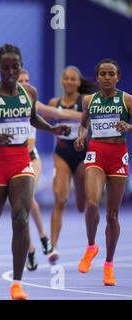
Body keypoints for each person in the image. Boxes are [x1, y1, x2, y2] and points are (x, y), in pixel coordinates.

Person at [0, 44, 69, 299]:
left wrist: (53, 130)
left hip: (21, 160)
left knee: (21, 218)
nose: (11, 72)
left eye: (15, 67)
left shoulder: (28, 92)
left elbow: (32, 119)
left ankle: (17, 284)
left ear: (20, 67)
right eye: (6, 67)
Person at [74, 59, 132, 286]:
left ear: (118, 77)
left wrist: (128, 127)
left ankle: (109, 265)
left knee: (112, 216)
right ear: (97, 77)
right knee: (91, 203)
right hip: (96, 152)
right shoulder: (89, 100)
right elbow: (83, 124)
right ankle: (91, 246)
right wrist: (81, 135)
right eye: (103, 74)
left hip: (118, 156)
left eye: (111, 74)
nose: (107, 77)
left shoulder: (126, 100)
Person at [47, 66, 97, 263]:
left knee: (82, 204)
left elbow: (90, 122)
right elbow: (44, 122)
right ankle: (53, 247)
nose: (69, 82)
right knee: (60, 198)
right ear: (61, 81)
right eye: (66, 78)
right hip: (62, 153)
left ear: (78, 82)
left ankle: (81, 195)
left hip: (82, 153)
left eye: (73, 79)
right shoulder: (54, 103)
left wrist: (82, 133)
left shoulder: (85, 101)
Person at [17, 69, 53, 271]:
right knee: (19, 209)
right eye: (20, 80)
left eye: (27, 80)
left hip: (31, 158)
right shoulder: (1, 102)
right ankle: (30, 249)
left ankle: (43, 237)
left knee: (28, 199)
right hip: (12, 162)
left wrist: (81, 114)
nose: (24, 83)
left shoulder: (33, 102)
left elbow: (57, 113)